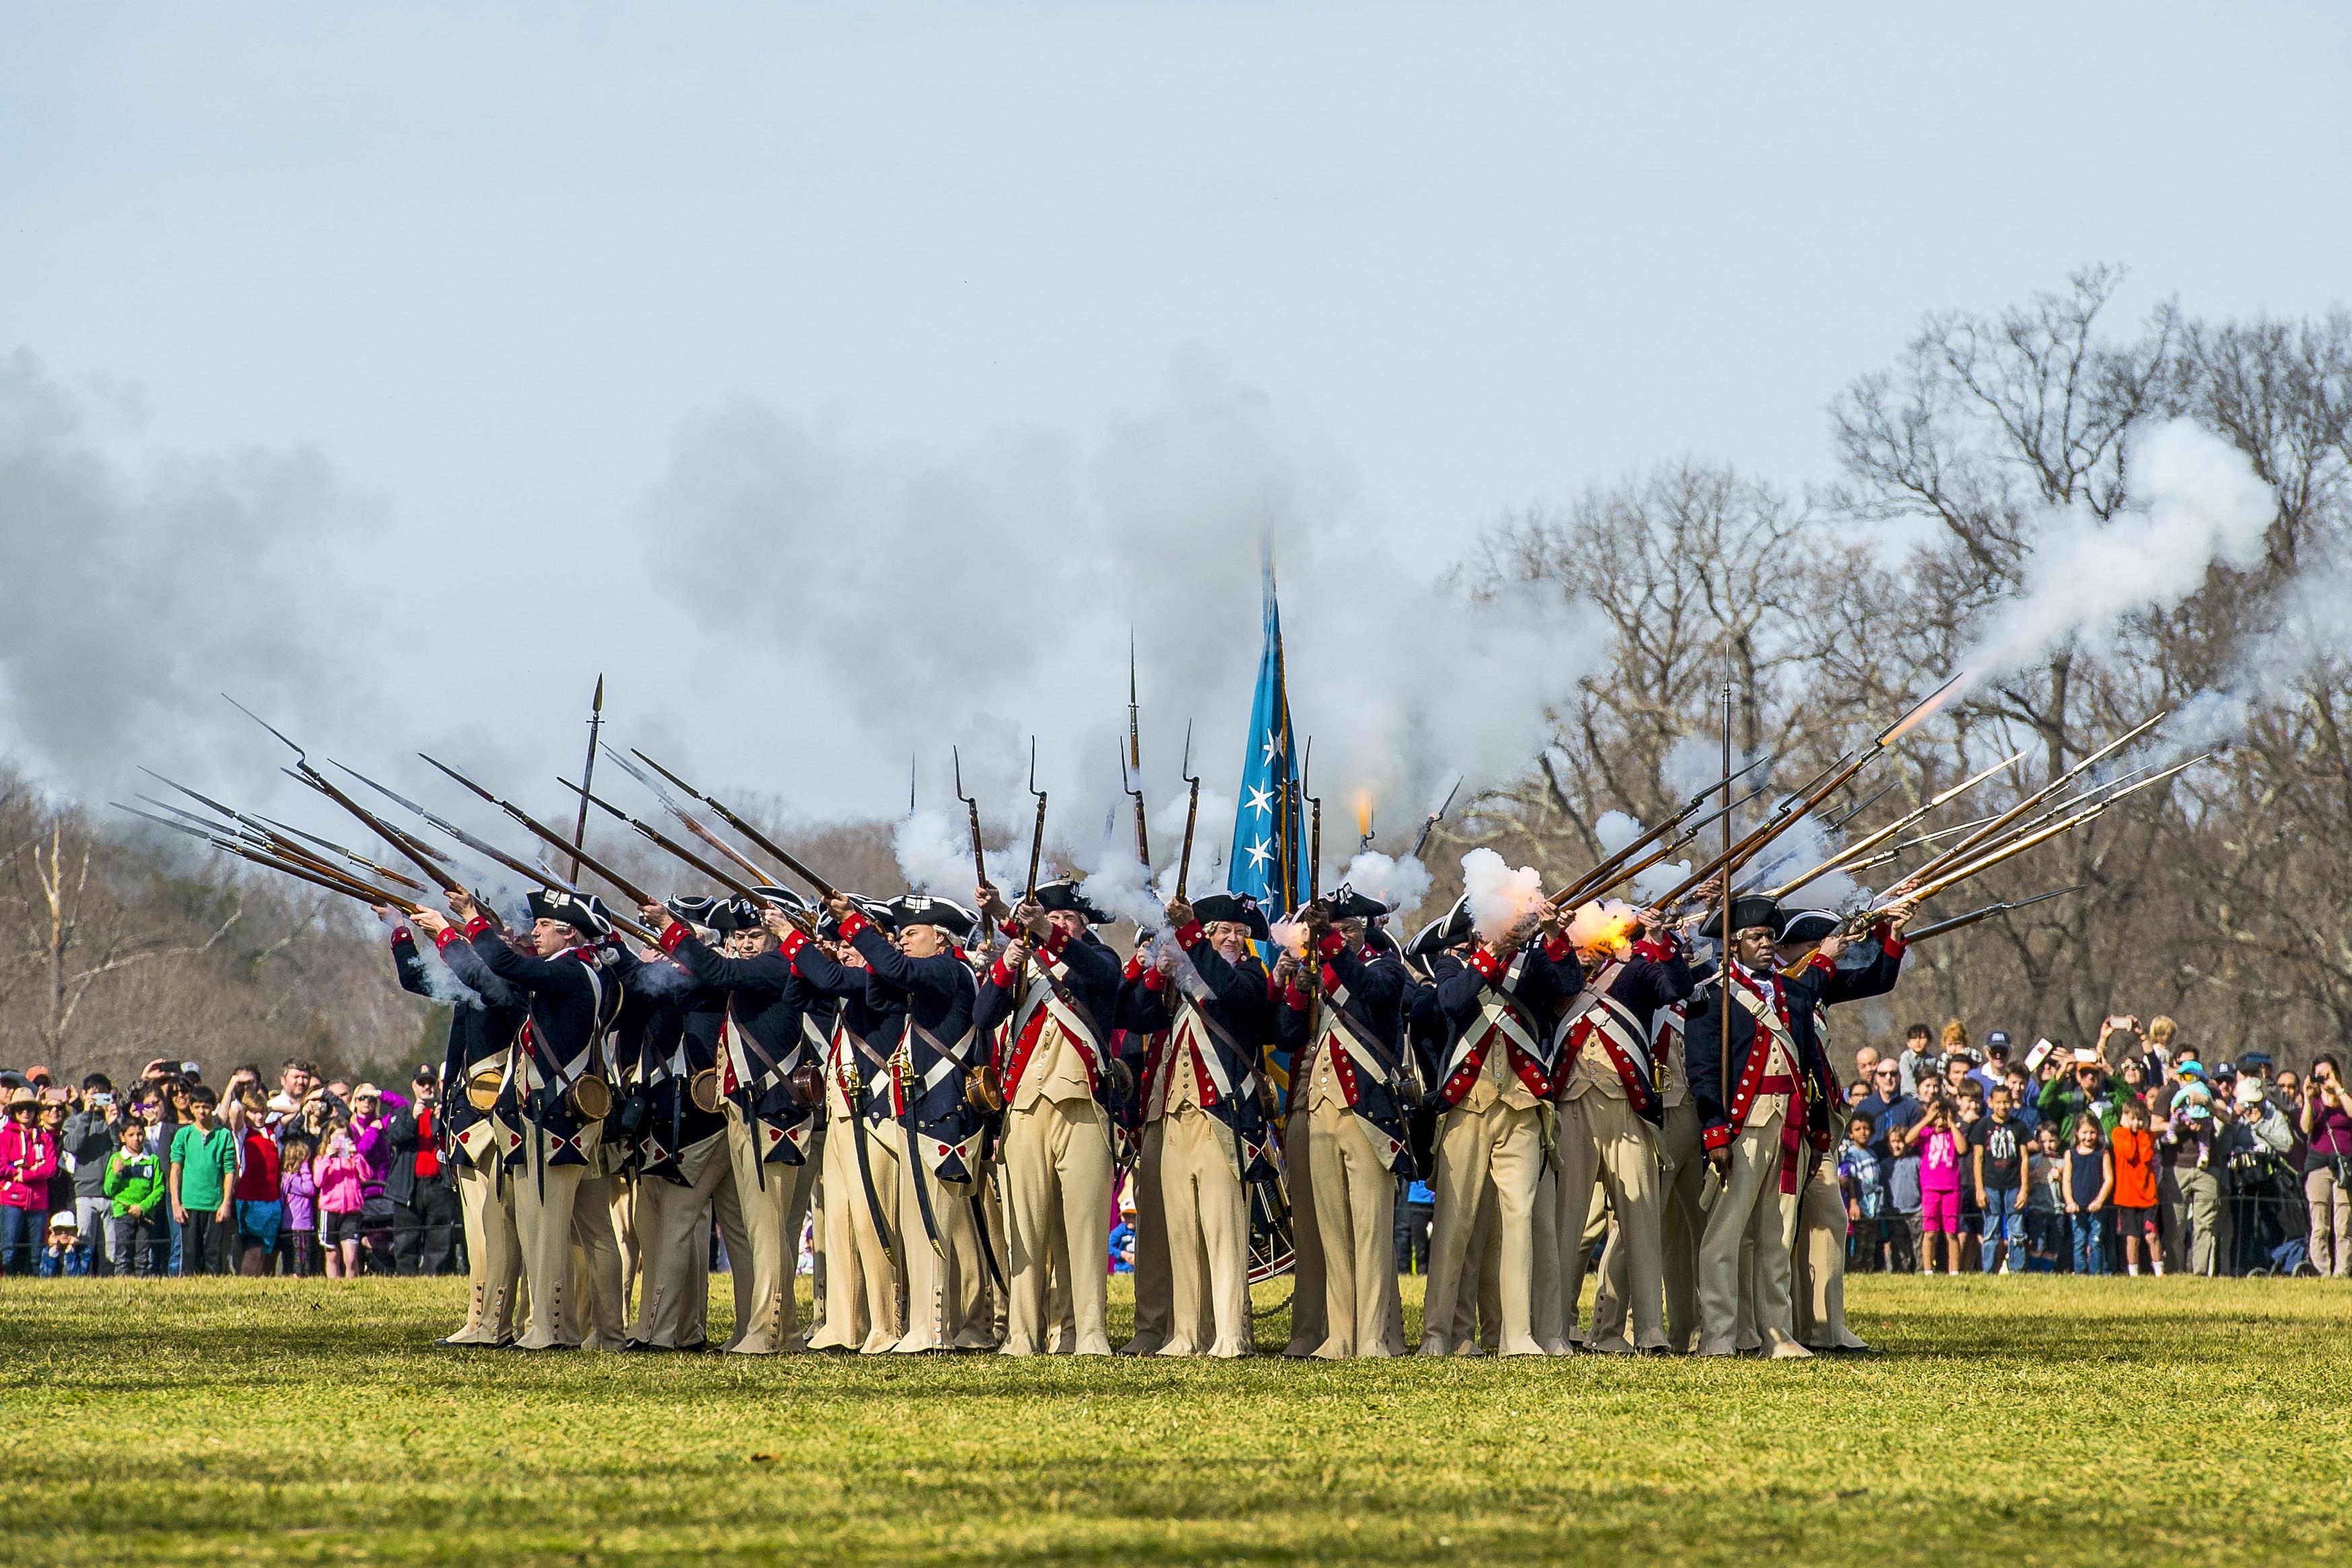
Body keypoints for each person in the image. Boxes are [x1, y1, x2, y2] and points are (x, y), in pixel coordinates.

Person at [413, 889, 624, 1351]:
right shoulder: (593, 972)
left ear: (569, 932)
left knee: (546, 1231)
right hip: (571, 1119)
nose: (535, 932)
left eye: (545, 926)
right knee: (595, 1231)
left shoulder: (568, 970)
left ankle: (552, 1329)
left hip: (553, 1119)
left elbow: (503, 969)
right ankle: (609, 1333)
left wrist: (463, 922)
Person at [1122, 891, 1282, 1359]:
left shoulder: (1251, 974)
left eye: (1239, 932)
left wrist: (1189, 939)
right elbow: (1132, 1015)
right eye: (1223, 931)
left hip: (1222, 1116)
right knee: (1180, 1231)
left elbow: (1233, 992)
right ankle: (1186, 1333)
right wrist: (1155, 970)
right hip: (1174, 1114)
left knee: (1223, 1229)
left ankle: (1232, 1332)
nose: (1233, 938)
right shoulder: (1181, 977)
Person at [972, 877, 1126, 1359]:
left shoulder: (1096, 959)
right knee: (1025, 1231)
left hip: (1082, 1105)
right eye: (1052, 918)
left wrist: (1046, 933)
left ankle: (1087, 1334)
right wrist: (1004, 967)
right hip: (1023, 1107)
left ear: (1082, 926)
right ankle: (1022, 1335)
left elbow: (1102, 978)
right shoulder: (1024, 967)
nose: (1058, 925)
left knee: (1083, 1232)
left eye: (1066, 920)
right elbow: (982, 1015)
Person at [1273, 885, 1416, 1360]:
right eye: (1332, 929)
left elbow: (1374, 992)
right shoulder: (1320, 975)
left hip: (1367, 1114)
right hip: (1319, 1109)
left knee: (1371, 1233)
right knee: (1332, 1232)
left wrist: (1328, 948)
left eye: (1347, 929)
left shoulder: (1385, 968)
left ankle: (1373, 1336)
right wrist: (1297, 986)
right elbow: (1286, 1034)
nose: (1338, 936)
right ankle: (1339, 1334)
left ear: (1365, 931)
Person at [382, 1066, 458, 1277]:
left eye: (431, 1083)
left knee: (440, 1236)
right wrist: (413, 1118)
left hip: (438, 1184)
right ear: (413, 1086)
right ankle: (407, 1277)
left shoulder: (446, 1114)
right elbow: (394, 1137)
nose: (427, 1087)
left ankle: (434, 1277)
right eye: (421, 1083)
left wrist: (443, 1118)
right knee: (406, 1238)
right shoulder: (403, 1113)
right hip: (409, 1186)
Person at [168, 1086, 238, 1275]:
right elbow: (176, 1170)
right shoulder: (184, 1135)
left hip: (214, 1204)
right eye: (197, 1107)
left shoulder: (223, 1135)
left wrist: (226, 1203)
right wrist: (176, 1202)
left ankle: (213, 1290)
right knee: (190, 1255)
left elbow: (229, 1170)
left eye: (206, 1107)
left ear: (213, 1107)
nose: (202, 1111)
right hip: (190, 1203)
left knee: (213, 1255)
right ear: (191, 1108)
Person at [61, 1075, 119, 1277]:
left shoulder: (112, 1121)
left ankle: (107, 1285)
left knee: (110, 1250)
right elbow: (73, 1146)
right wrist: (86, 1113)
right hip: (84, 1193)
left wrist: (113, 1125)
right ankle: (81, 1281)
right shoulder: (73, 1121)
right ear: (84, 1095)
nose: (96, 1099)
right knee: (84, 1243)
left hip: (110, 1194)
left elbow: (120, 1152)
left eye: (102, 1095)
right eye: (93, 1094)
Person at [2300, 1054, 2352, 1278]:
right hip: (2319, 1165)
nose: (2323, 1079)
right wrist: (2307, 1097)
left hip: (2344, 1166)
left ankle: (2342, 1271)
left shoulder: (2345, 1098)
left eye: (2327, 1074)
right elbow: (2305, 1128)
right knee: (2320, 1224)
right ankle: (2321, 1270)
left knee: (2344, 1223)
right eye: (2319, 1075)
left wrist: (2337, 1089)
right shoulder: (2314, 1101)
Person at [2, 1085, 61, 1274]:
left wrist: (25, 1174)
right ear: (13, 1112)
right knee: (8, 1250)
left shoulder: (45, 1138)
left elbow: (51, 1167)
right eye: (21, 1108)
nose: (26, 1112)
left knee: (37, 1252)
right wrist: (17, 1173)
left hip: (38, 1201)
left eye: (30, 1108)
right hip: (11, 1200)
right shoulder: (5, 1136)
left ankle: (36, 1285)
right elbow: (1, 1166)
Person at [1973, 1085, 2028, 1273]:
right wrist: (1979, 1189)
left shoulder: (2019, 1126)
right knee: (1991, 1231)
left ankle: (2017, 1270)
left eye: (2006, 1102)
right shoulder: (1983, 1125)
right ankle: (1988, 1270)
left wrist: (2024, 1189)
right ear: (1990, 1102)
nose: (2003, 1106)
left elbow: (2024, 1159)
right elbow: (1978, 1159)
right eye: (1998, 1102)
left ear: (2012, 1103)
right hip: (1991, 1185)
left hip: (2014, 1185)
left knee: (2017, 1231)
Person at [230, 1095, 285, 1276]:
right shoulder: (243, 1132)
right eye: (254, 1112)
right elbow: (235, 1111)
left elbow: (296, 1109)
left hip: (272, 1200)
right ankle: (246, 1286)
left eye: (262, 1112)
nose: (259, 1116)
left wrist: (268, 1105)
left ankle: (259, 1288)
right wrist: (239, 1089)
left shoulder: (273, 1131)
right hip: (251, 1200)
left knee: (264, 1253)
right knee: (253, 1250)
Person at [104, 1116, 166, 1274]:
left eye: (139, 1134)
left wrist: (143, 1207)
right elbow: (109, 1190)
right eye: (131, 1135)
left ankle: (141, 1286)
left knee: (142, 1255)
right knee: (123, 1253)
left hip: (144, 1214)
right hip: (123, 1213)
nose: (136, 1139)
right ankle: (122, 1285)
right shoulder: (117, 1159)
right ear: (123, 1137)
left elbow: (158, 1189)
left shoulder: (152, 1160)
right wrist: (116, 1174)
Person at [2108, 1102, 2161, 1276]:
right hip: (2127, 1196)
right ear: (2124, 1118)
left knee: (2151, 1235)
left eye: (2140, 1119)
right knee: (2132, 1238)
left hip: (2148, 1196)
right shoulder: (2118, 1134)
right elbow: (2129, 1153)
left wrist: (2140, 1133)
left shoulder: (2148, 1136)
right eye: (2132, 1118)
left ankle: (2160, 1271)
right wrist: (2128, 1131)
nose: (2136, 1123)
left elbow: (2146, 1155)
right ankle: (2134, 1274)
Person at [1913, 1100, 1965, 1275]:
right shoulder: (1926, 1134)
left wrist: (1952, 1124)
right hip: (1930, 1189)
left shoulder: (1953, 1134)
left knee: (1951, 1233)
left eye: (1943, 1119)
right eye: (1937, 1119)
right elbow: (1908, 1139)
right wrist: (1927, 1120)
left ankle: (1955, 1272)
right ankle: (1928, 1271)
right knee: (1930, 1232)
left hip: (1952, 1189)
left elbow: (1963, 1148)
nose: (1940, 1123)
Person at [314, 1116, 368, 1278]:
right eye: (336, 1138)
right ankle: (334, 1288)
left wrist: (356, 1156)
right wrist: (328, 1159)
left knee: (351, 1258)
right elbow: (318, 1181)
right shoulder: (321, 1159)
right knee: (332, 1255)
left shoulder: (353, 1159)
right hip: (329, 1210)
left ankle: (353, 1285)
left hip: (352, 1210)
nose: (340, 1141)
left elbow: (366, 1176)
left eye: (344, 1137)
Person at [2061, 1117, 2110, 1275]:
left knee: (2096, 1241)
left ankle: (2096, 1273)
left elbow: (2109, 1179)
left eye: (2092, 1133)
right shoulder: (2070, 1153)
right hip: (2077, 1206)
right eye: (2084, 1133)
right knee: (2079, 1241)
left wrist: (2099, 1201)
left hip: (2096, 1206)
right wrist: (2069, 1201)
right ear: (2076, 1133)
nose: (2088, 1137)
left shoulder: (2102, 1153)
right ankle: (2080, 1272)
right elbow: (2066, 1180)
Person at [1838, 1115, 1886, 1272]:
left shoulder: (1872, 1153)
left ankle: (1869, 1269)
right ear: (1850, 1134)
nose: (1863, 1133)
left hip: (1873, 1204)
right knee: (1859, 1240)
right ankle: (1856, 1269)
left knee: (1871, 1240)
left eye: (1866, 1128)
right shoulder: (1852, 1154)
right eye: (1858, 1129)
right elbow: (1850, 1180)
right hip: (1860, 1203)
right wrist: (1853, 1203)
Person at [2024, 1122, 2066, 1272]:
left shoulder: (2064, 1162)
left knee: (2054, 1246)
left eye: (2052, 1141)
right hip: (2038, 1209)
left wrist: (2060, 1178)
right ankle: (2032, 1272)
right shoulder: (2033, 1161)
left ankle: (2046, 1272)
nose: (2047, 1145)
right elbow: (2025, 1185)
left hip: (2058, 1210)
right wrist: (2032, 1176)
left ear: (2059, 1141)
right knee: (2037, 1244)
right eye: (2043, 1141)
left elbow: (2068, 1186)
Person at [279, 1133, 320, 1277]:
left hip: (291, 1224)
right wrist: (305, 1168)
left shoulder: (286, 1177)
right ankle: (298, 1276)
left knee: (295, 1254)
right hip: (299, 1224)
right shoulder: (294, 1179)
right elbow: (309, 1189)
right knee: (301, 1255)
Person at [1883, 1124, 1921, 1273]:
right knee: (1900, 1246)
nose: (1897, 1145)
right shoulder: (1886, 1165)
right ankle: (1901, 1272)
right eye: (1893, 1142)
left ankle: (1920, 1271)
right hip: (1895, 1211)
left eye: (1900, 1141)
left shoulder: (1916, 1161)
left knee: (1918, 1245)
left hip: (1917, 1210)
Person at [40, 1209, 84, 1276]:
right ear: (52, 1232)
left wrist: (70, 1251)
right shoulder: (47, 1251)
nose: (63, 1232)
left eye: (68, 1228)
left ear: (75, 1230)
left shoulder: (84, 1251)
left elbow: (76, 1277)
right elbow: (45, 1277)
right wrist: (53, 1252)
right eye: (59, 1229)